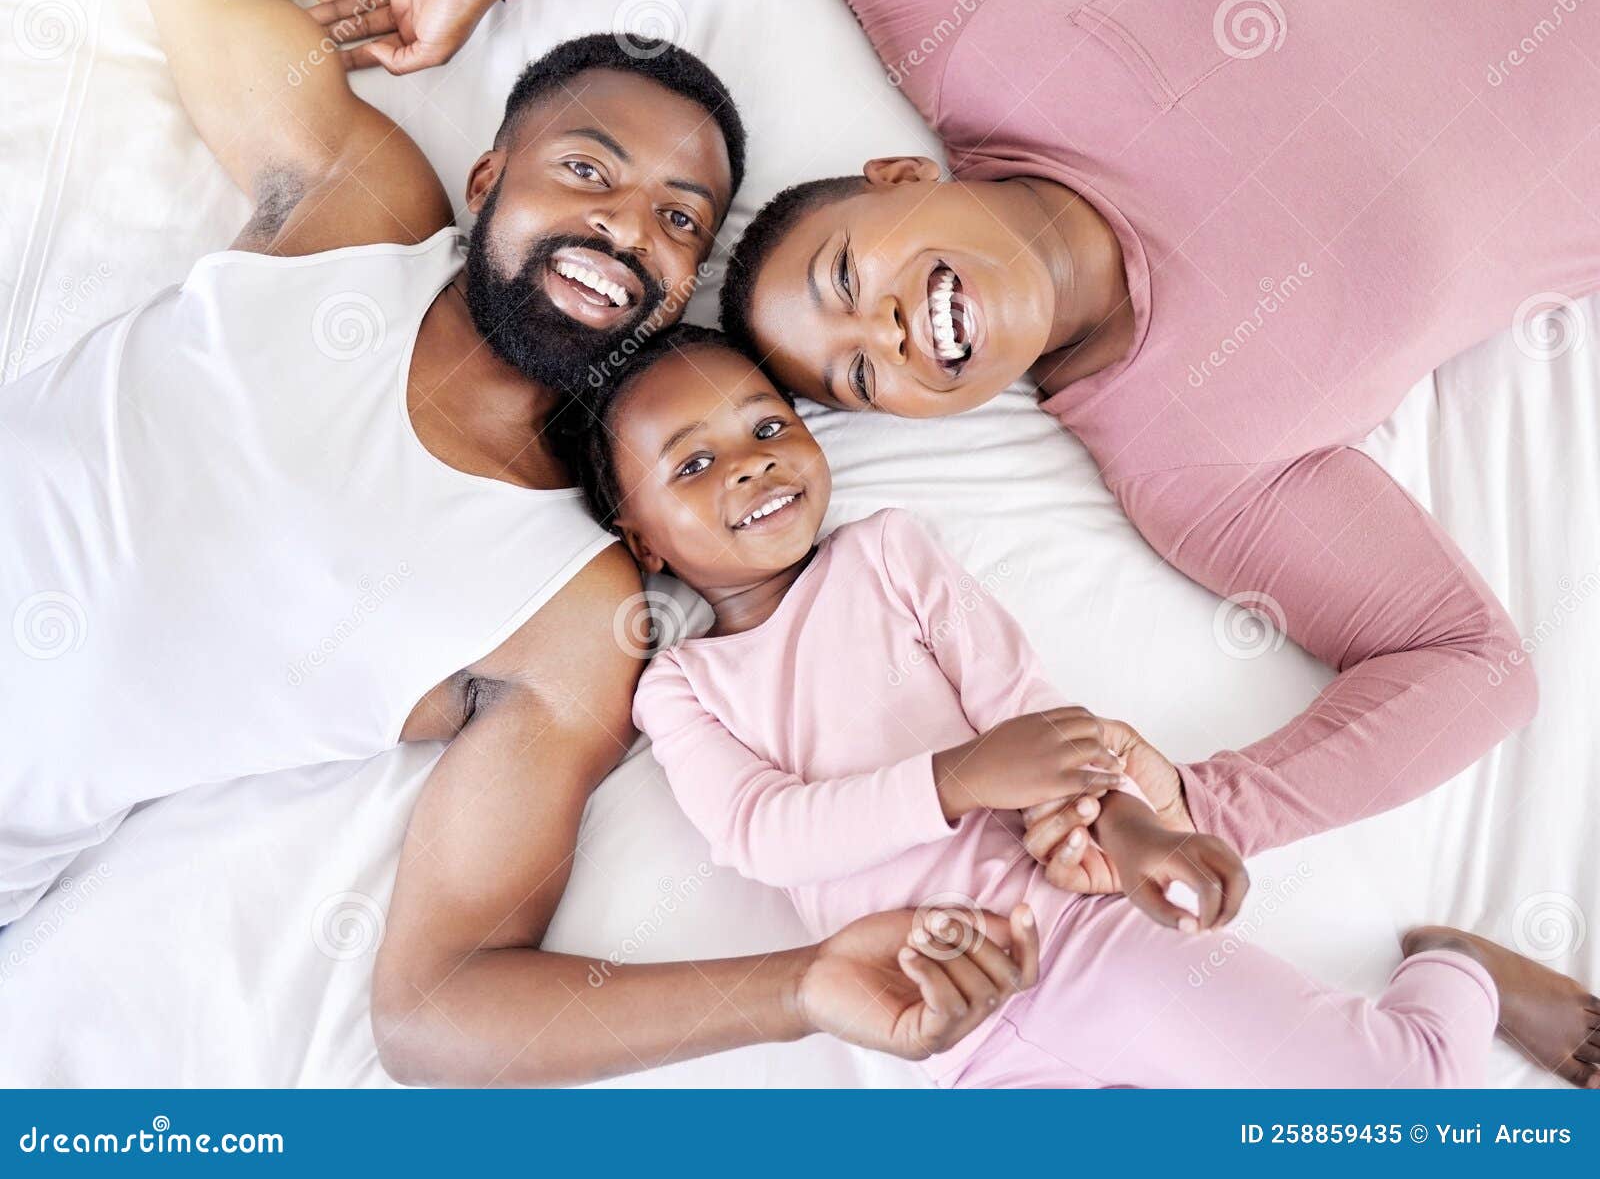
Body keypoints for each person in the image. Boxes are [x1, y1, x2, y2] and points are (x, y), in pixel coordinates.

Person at [324, 0, 1600, 871]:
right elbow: (1469, 668)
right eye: (860, 378)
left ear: (898, 174)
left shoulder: (1004, 51)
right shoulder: (1190, 450)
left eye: (844, 275)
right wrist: (1208, 803)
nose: (883, 331)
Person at [0, 0, 1043, 1085]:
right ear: (489, 175)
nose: (624, 223)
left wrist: (799, 990)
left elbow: (436, 1012)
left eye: (678, 218)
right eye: (587, 169)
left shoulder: (568, 612)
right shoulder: (356, 214)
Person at [564, 325, 1600, 1088]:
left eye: (768, 424)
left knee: (1396, 1104)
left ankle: (1455, 986)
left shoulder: (886, 556)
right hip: (956, 1035)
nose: (749, 460)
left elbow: (1043, 722)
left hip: (1087, 937)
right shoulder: (683, 686)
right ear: (643, 537)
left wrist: (1141, 828)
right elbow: (764, 835)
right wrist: (956, 778)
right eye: (692, 464)